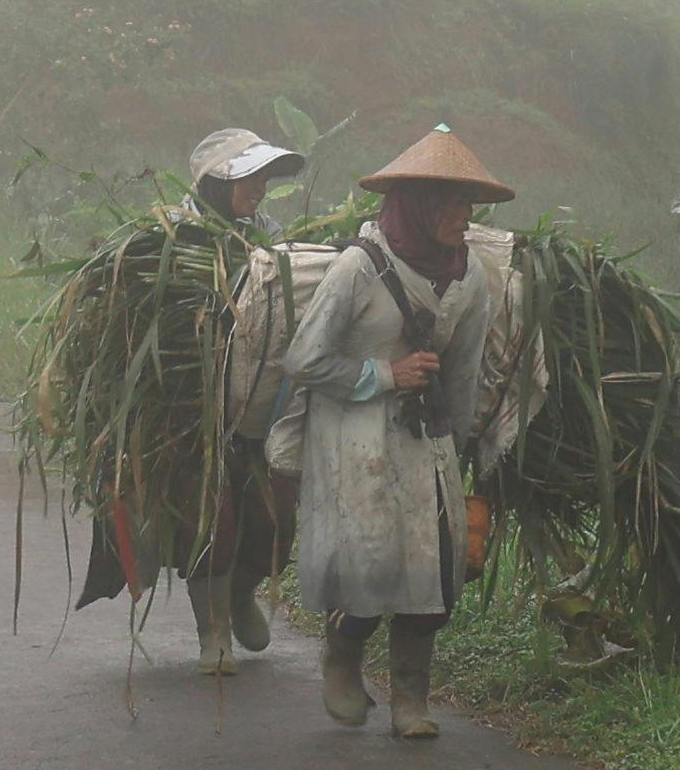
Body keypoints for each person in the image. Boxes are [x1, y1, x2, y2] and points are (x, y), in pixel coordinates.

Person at [263, 123, 527, 738]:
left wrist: (458, 452)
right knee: (368, 563)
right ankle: (342, 660)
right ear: (421, 202)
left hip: (425, 438)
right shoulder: (360, 267)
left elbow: (462, 371)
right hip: (353, 435)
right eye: (456, 203)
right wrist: (385, 373)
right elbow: (304, 359)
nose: (467, 216)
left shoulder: (469, 278)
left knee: (436, 567)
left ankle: (412, 697)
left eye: (470, 204)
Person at [181, 127, 303, 669]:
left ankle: (239, 594)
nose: (259, 187)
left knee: (276, 522)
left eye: (262, 177)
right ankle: (212, 632)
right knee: (214, 521)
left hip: (262, 404)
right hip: (193, 412)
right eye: (247, 177)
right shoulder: (173, 236)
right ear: (214, 184)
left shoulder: (271, 234)